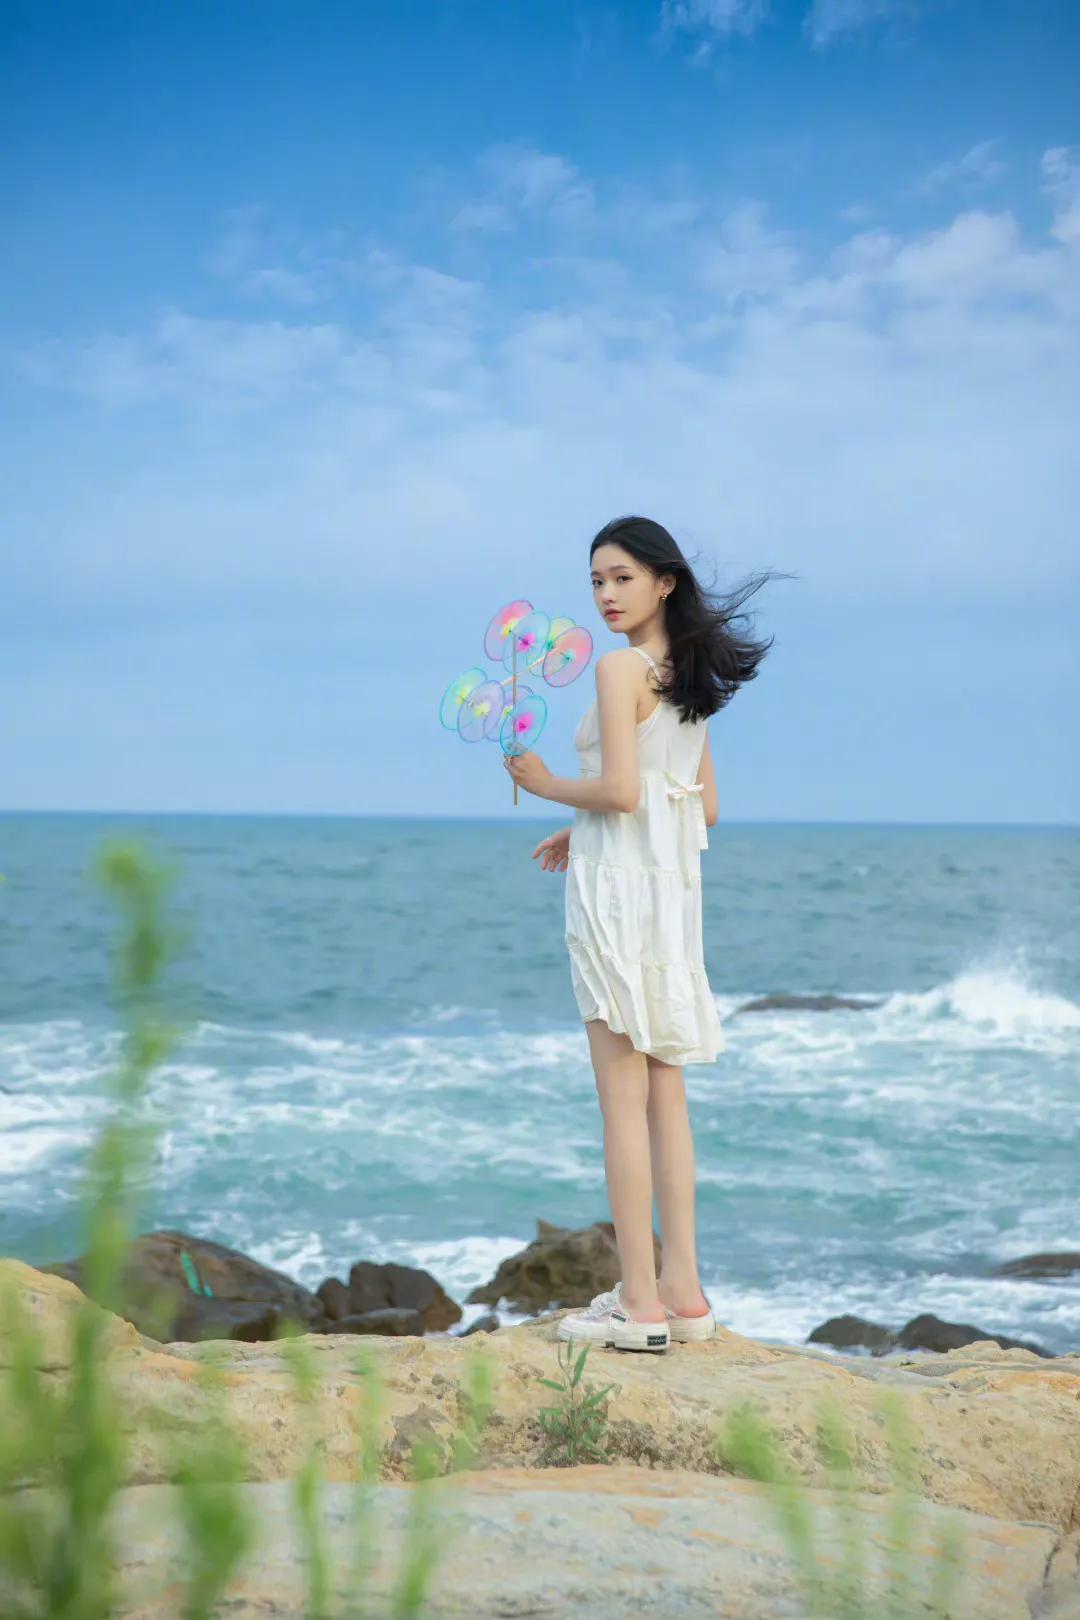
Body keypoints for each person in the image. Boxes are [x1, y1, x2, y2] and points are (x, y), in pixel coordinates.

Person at [503, 514, 786, 1354]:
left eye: (621, 577)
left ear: (664, 581)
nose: (605, 595)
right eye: (596, 581)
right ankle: (685, 1294)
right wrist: (581, 829)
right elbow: (697, 802)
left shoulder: (621, 667)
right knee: (666, 1096)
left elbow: (623, 790)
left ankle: (637, 1304)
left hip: (620, 901)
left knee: (622, 1103)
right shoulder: (687, 675)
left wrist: (552, 786)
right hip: (669, 899)